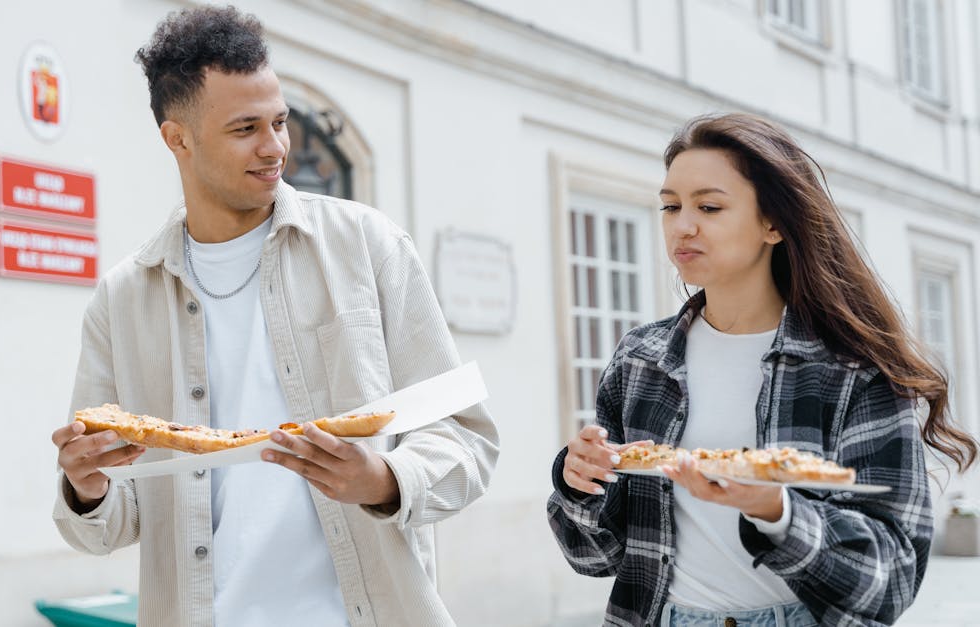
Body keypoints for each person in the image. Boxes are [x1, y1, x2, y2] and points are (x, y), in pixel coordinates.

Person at [50, 7, 499, 626]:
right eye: (245, 129)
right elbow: (111, 525)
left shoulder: (368, 246)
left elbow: (467, 437)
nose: (276, 147)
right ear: (177, 138)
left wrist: (386, 479)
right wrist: (86, 486)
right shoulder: (124, 298)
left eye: (280, 121)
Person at [547, 112, 978, 626]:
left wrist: (779, 511)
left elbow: (891, 581)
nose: (683, 225)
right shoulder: (641, 360)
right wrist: (580, 483)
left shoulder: (852, 369)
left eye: (709, 206)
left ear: (773, 223)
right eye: (670, 206)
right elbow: (595, 559)